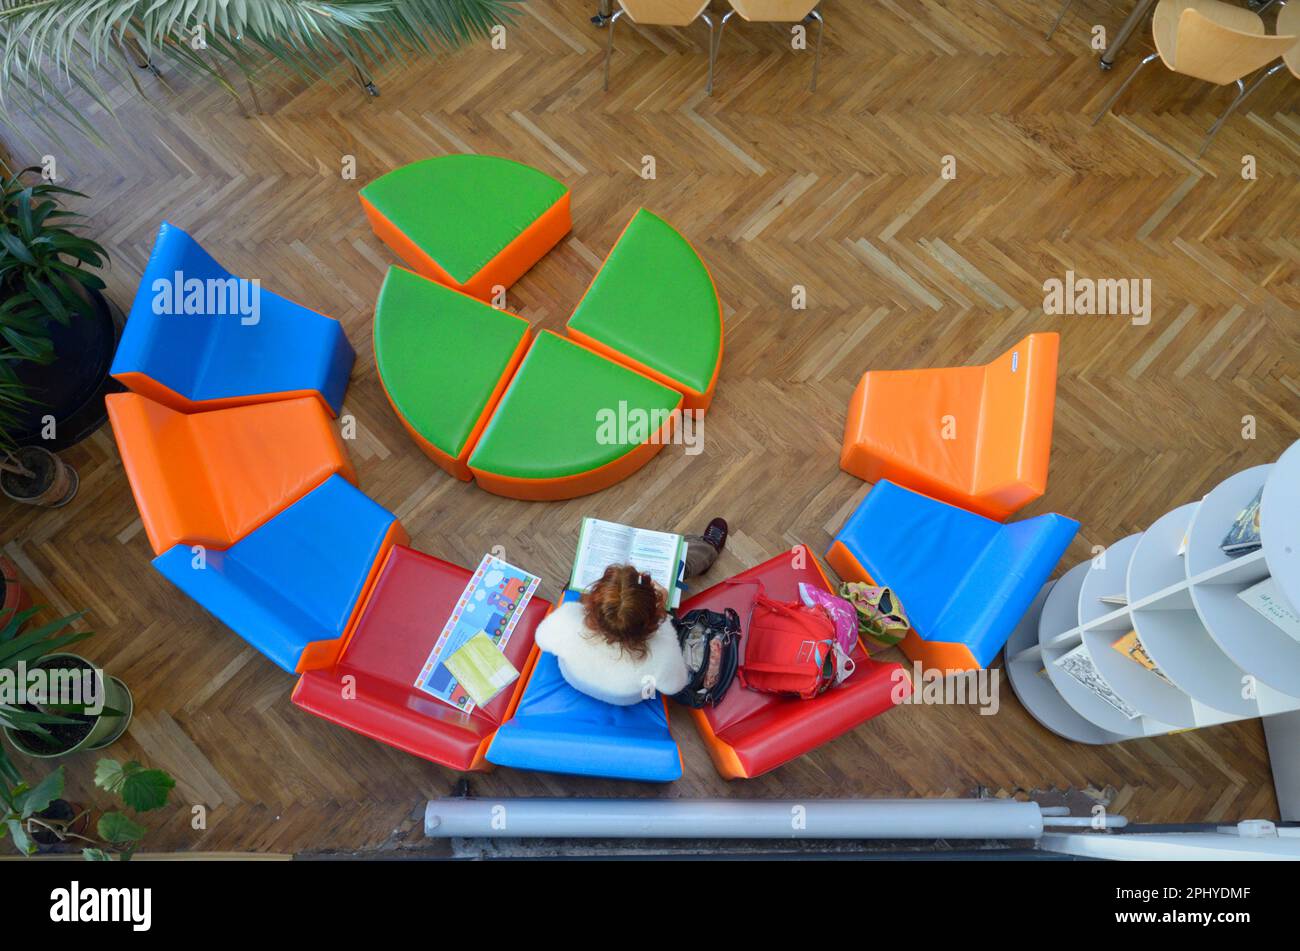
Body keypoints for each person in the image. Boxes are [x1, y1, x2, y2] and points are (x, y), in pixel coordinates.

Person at [534, 518, 729, 706]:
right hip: (628, 698)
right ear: (654, 617)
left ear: (594, 603)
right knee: (678, 566)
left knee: (575, 579)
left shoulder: (568, 619)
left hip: (575, 680)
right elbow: (675, 685)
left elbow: (541, 639)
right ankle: (707, 548)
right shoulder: (662, 647)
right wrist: (665, 608)